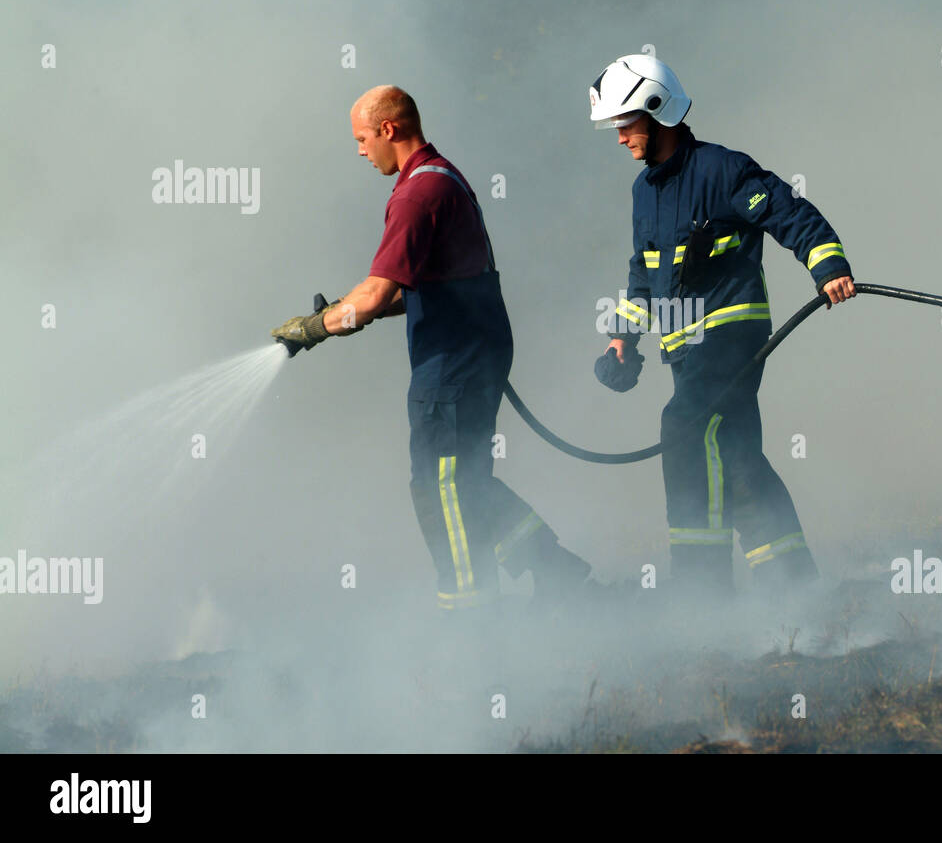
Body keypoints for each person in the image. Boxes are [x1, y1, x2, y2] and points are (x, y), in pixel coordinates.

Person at [272, 85, 590, 613]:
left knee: (441, 489)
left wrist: (313, 328)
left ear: (389, 130)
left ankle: (469, 610)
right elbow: (414, 286)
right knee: (466, 479)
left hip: (453, 365)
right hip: (472, 357)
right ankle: (555, 568)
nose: (359, 150)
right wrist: (346, 311)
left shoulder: (417, 194)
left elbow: (376, 295)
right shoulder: (441, 177)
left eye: (361, 138)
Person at [588, 55, 856, 598]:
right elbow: (643, 273)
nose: (619, 139)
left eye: (625, 124)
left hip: (731, 330)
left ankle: (702, 593)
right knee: (734, 453)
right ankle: (795, 585)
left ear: (656, 109)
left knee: (684, 427)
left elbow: (791, 213)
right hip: (684, 346)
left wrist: (828, 266)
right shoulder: (645, 191)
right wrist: (623, 337)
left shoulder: (723, 169)